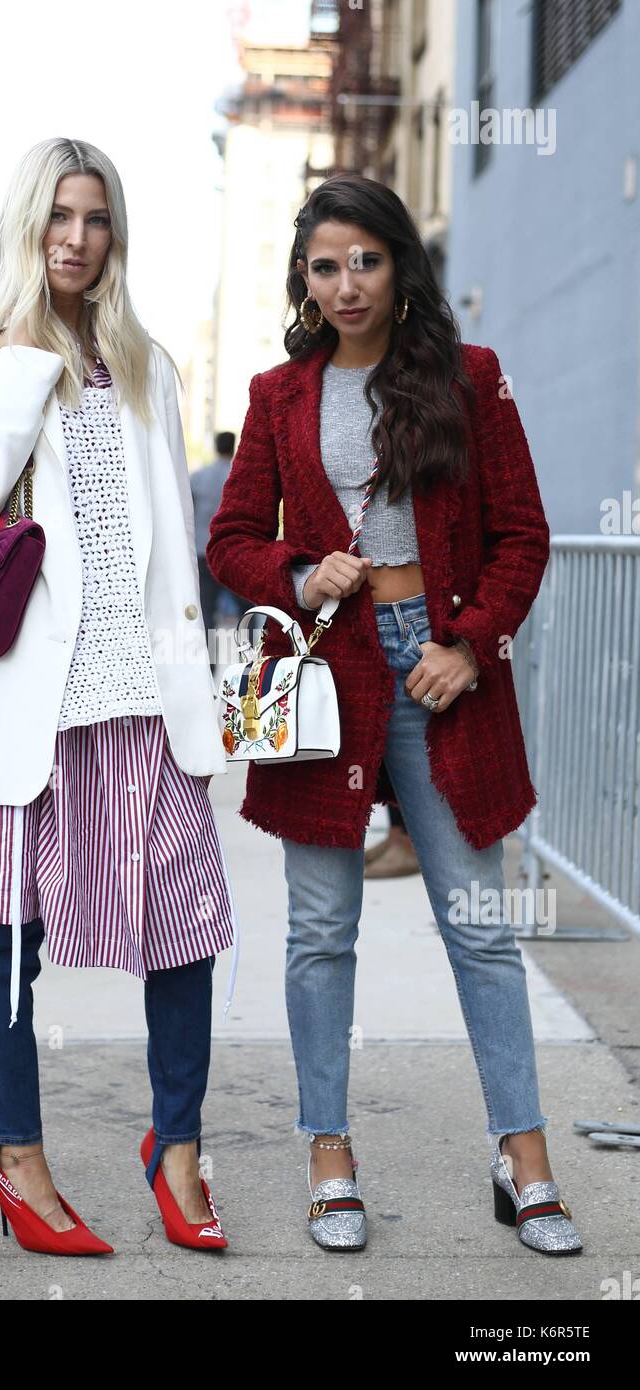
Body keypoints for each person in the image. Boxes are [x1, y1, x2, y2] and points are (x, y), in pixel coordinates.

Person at [206, 173, 582, 1256]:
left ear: (398, 265)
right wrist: (295, 569)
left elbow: (522, 531)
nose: (345, 283)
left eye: (363, 259)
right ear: (303, 278)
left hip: (439, 672)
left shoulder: (469, 379)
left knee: (479, 930)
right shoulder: (279, 394)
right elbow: (229, 538)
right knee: (321, 932)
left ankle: (522, 1158)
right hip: (330, 673)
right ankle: (328, 1153)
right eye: (323, 265)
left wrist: (469, 646)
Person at [0, 137, 239, 1257]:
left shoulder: (146, 364)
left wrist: (203, 691)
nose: (77, 240)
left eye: (96, 220)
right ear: (25, 225)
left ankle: (176, 1145)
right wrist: (25, 361)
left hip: (141, 696)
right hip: (17, 705)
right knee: (8, 932)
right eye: (58, 217)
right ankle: (17, 1155)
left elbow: (172, 552)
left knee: (183, 923)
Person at [190, 431, 245, 645]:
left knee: (206, 609)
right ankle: (250, 660)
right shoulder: (239, 475)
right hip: (233, 554)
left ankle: (209, 664)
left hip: (203, 550)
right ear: (233, 447)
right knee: (246, 609)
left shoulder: (198, 477)